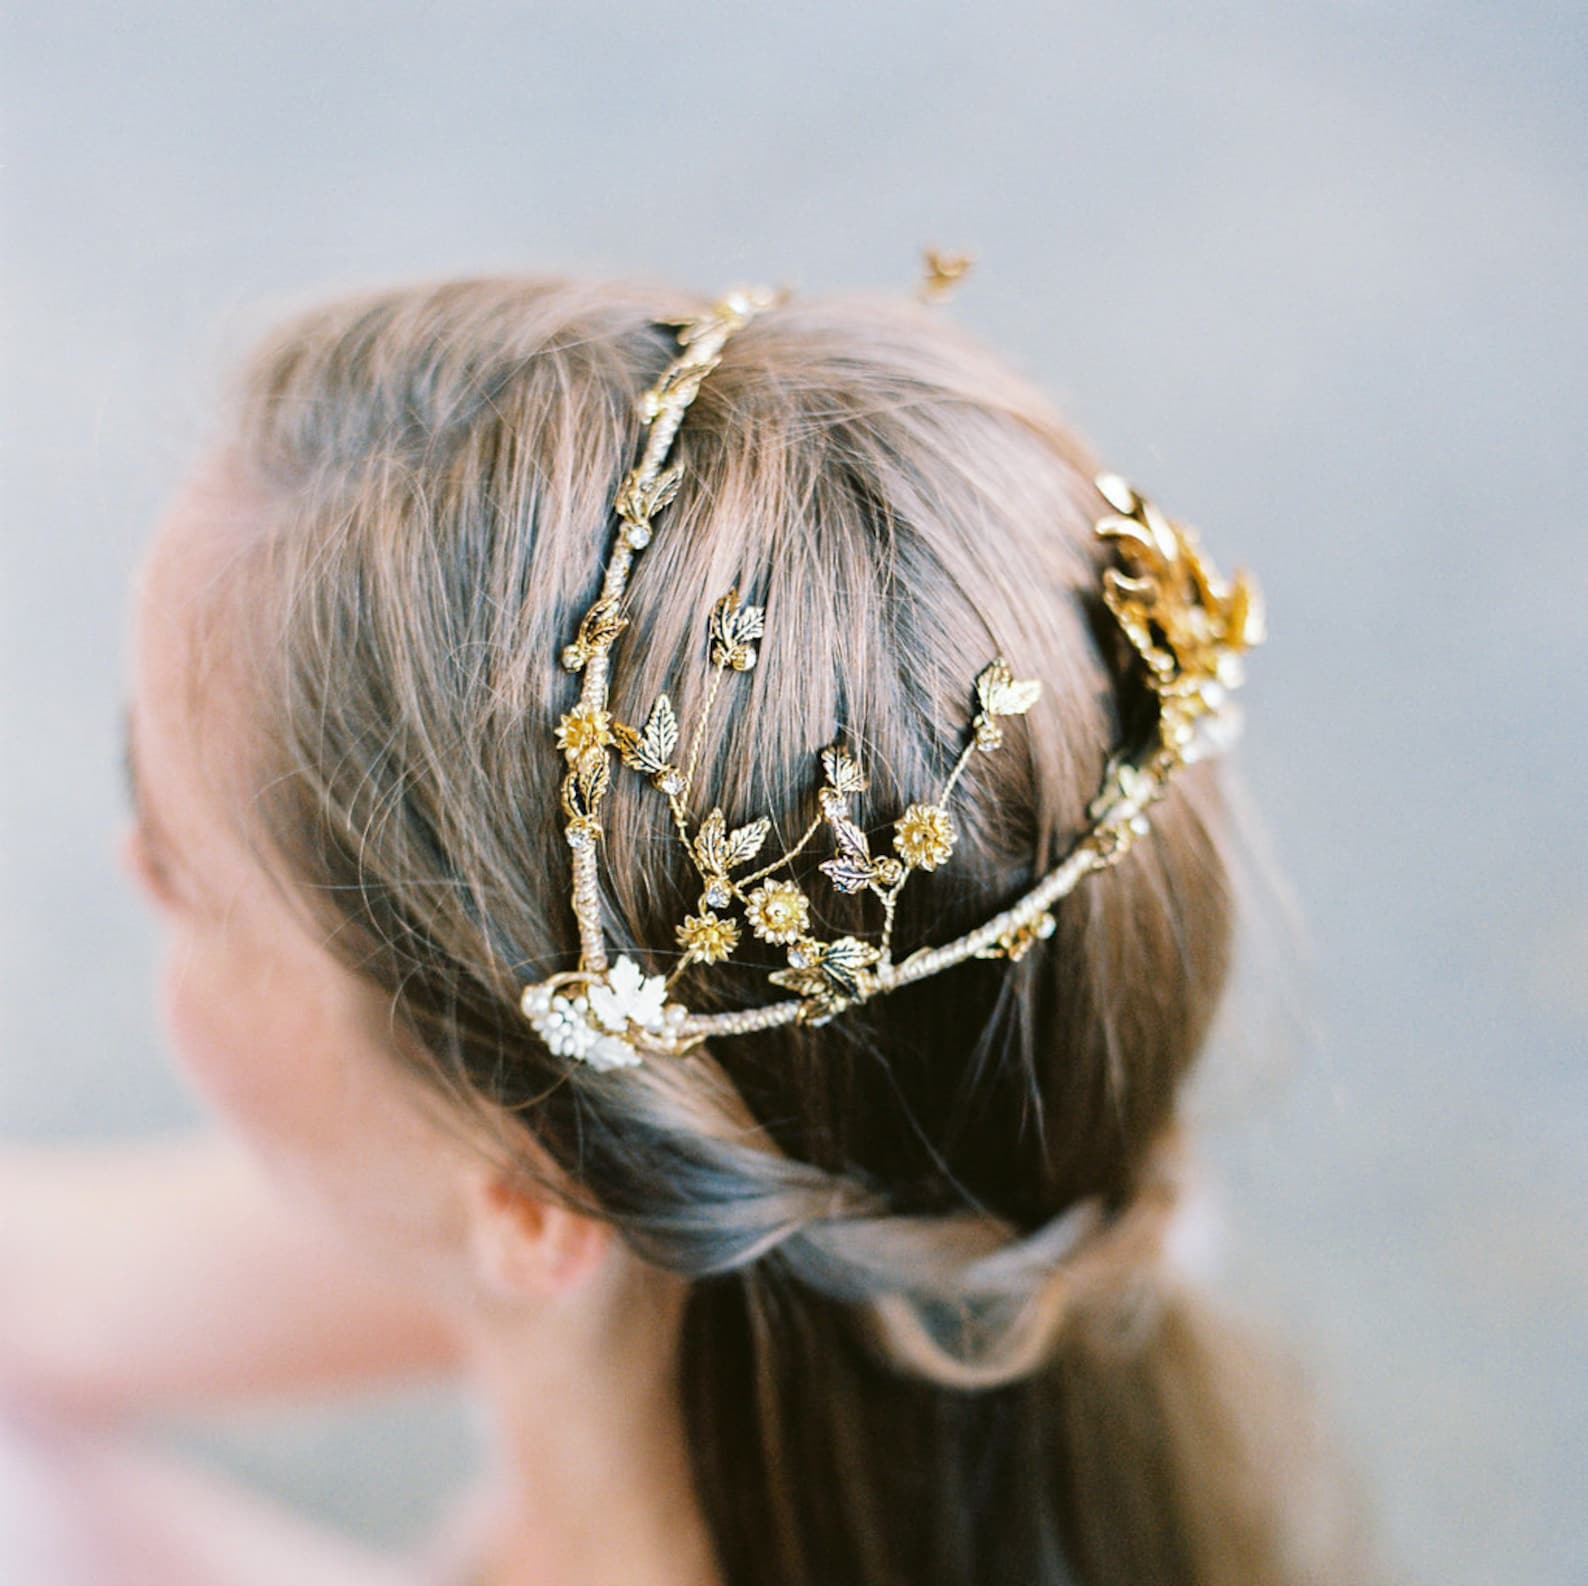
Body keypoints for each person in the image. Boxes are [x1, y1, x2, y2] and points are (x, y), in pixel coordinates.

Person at [0, 272, 1383, 1586]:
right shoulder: (895, 1169)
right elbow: (57, 1281)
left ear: (531, 1199)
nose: (130, 862)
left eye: (182, 867)